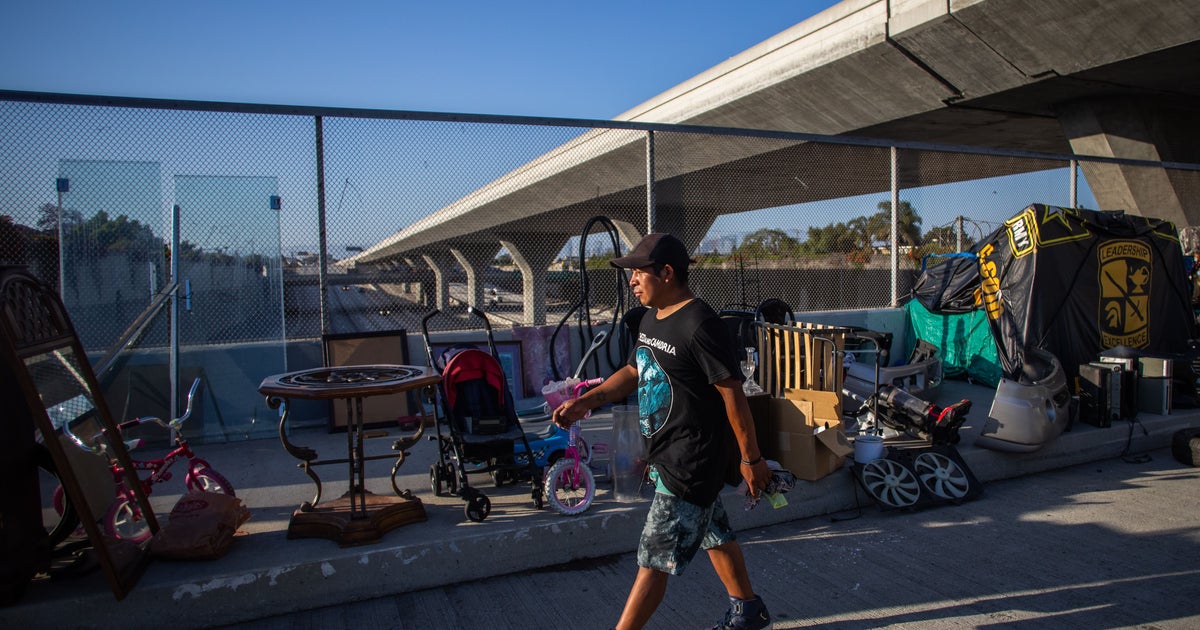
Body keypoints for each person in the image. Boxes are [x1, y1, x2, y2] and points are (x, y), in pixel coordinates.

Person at [552, 232, 773, 630]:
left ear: (667, 273)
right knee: (714, 532)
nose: (632, 281)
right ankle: (748, 611)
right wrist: (587, 400)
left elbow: (733, 398)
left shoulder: (700, 324)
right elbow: (634, 370)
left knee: (652, 560)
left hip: (691, 461)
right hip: (666, 453)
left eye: (640, 272)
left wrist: (751, 459)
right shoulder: (651, 317)